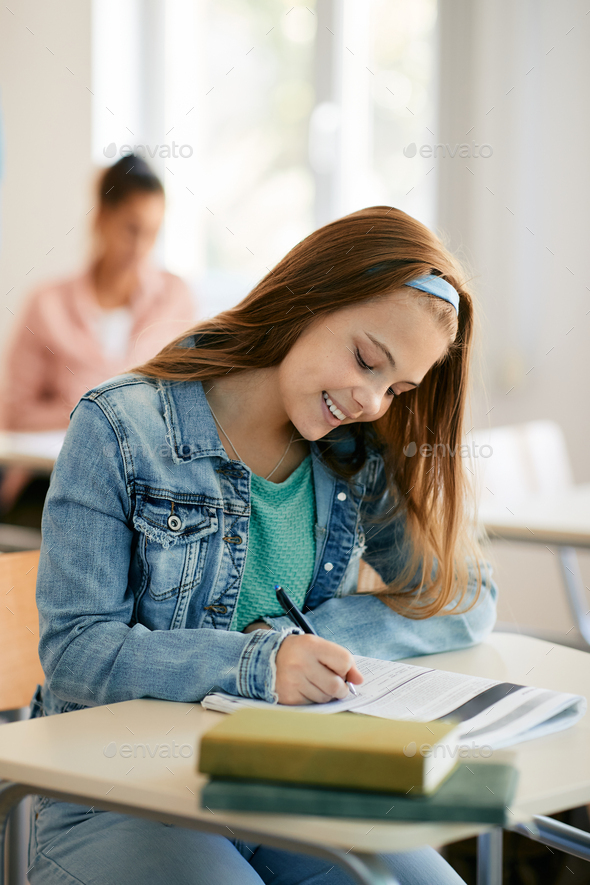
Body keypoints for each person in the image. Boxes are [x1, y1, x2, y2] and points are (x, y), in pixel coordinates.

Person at [27, 206, 498, 885]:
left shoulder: (354, 453)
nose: (370, 398)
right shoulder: (118, 426)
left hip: (280, 781)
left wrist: (303, 636)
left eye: (396, 387)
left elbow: (467, 596)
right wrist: (257, 661)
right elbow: (75, 653)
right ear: (310, 296)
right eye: (367, 358)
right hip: (113, 794)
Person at [0, 153, 195, 518]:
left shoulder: (174, 298)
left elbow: (184, 397)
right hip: (52, 476)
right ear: (103, 218)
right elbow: (15, 412)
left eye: (152, 233)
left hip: (147, 478)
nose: (141, 247)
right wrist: (91, 407)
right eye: (131, 229)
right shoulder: (47, 304)